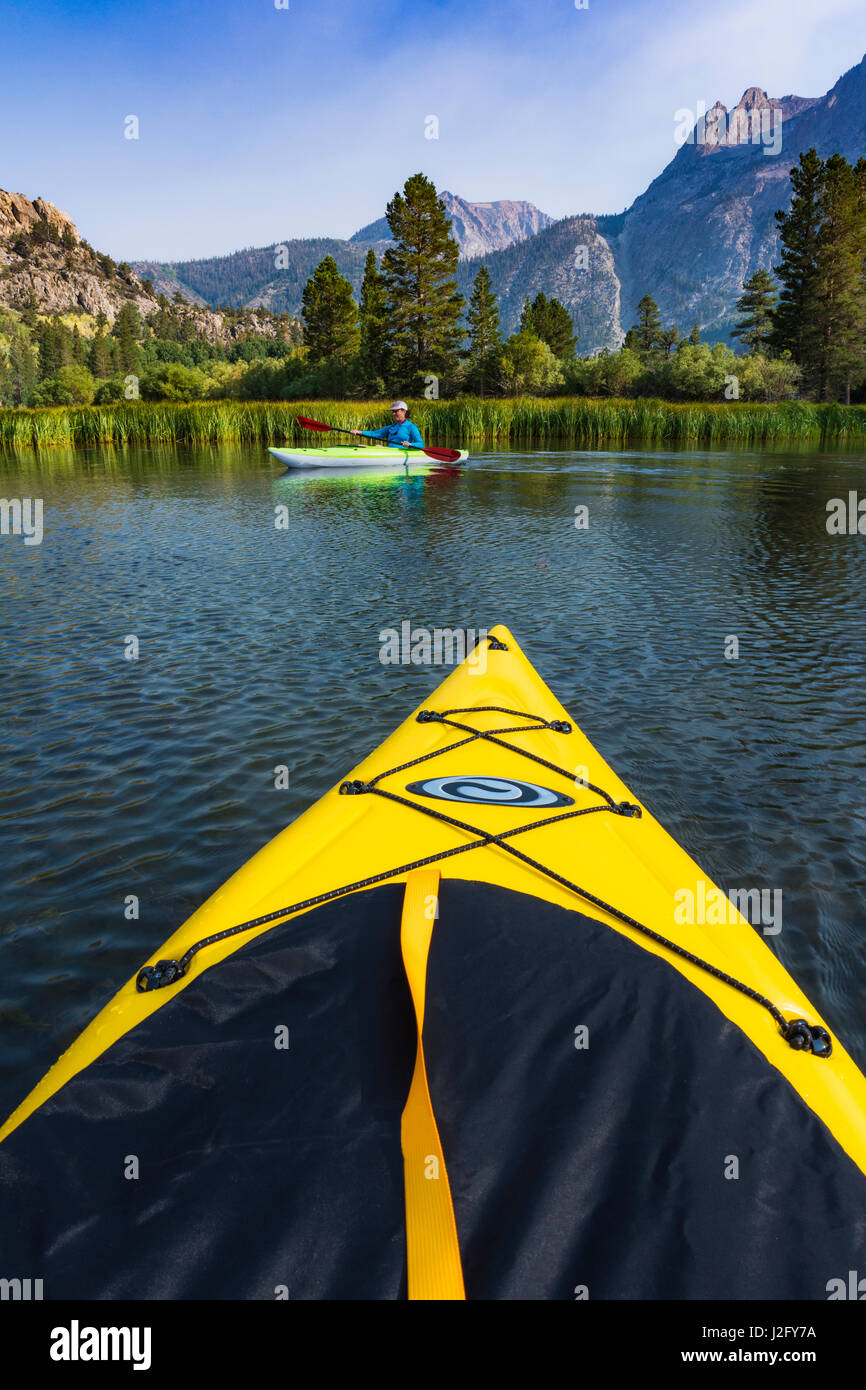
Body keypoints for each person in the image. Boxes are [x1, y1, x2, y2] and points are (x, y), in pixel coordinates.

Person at [350, 401, 424, 450]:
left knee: (377, 447)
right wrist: (359, 432)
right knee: (362, 446)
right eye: (392, 411)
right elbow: (375, 434)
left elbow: (421, 444)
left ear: (404, 411)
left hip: (402, 452)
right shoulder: (392, 427)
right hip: (390, 451)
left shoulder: (411, 427)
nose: (393, 414)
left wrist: (410, 444)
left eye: (396, 411)